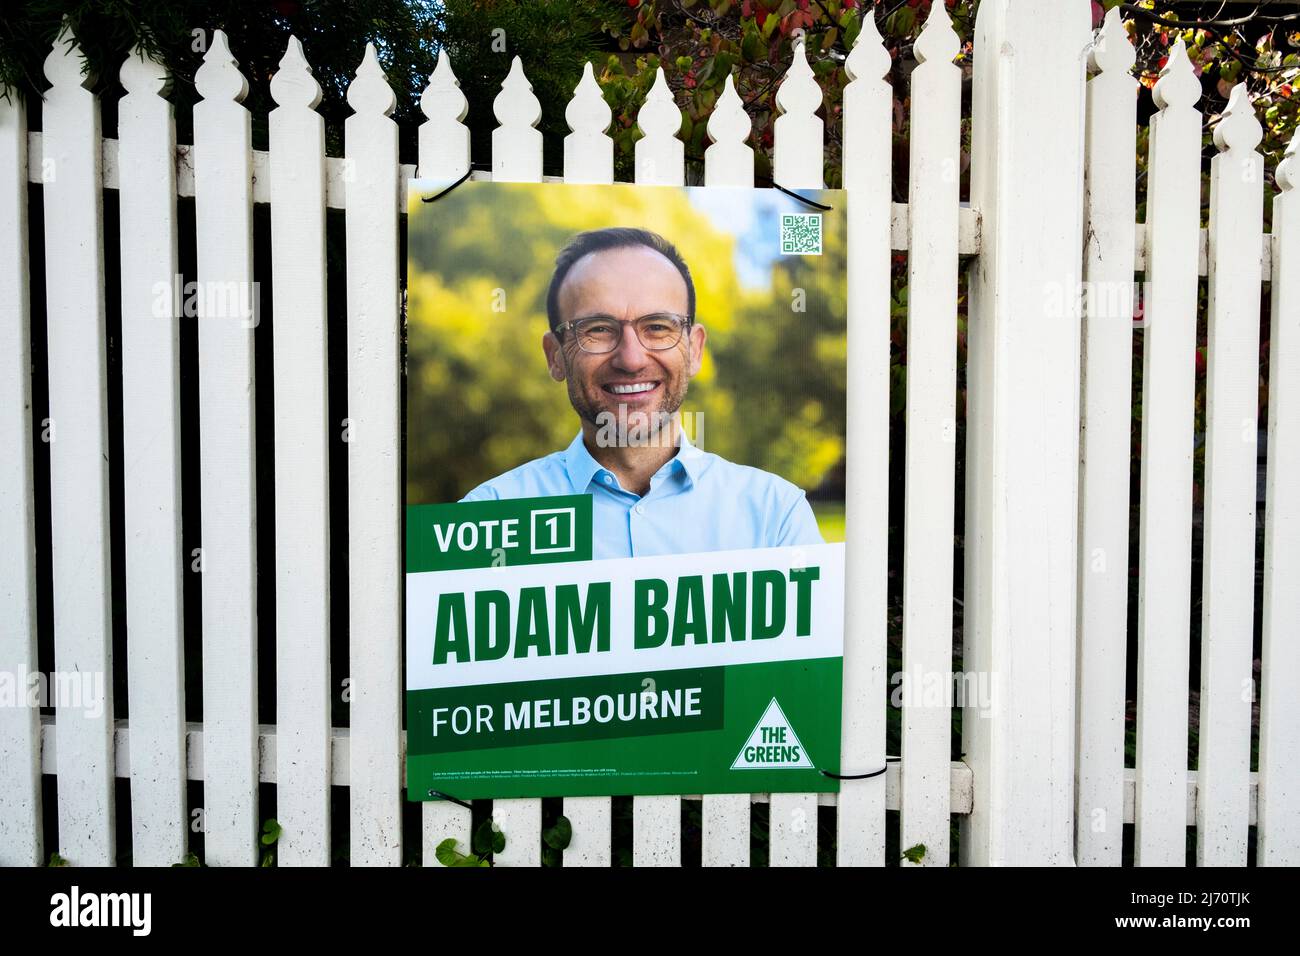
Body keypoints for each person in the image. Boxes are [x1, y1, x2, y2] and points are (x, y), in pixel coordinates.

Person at [461, 226, 824, 560]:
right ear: (555, 356)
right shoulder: (485, 521)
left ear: (694, 349)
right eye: (598, 329)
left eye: (657, 327)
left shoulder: (775, 518)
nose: (631, 359)